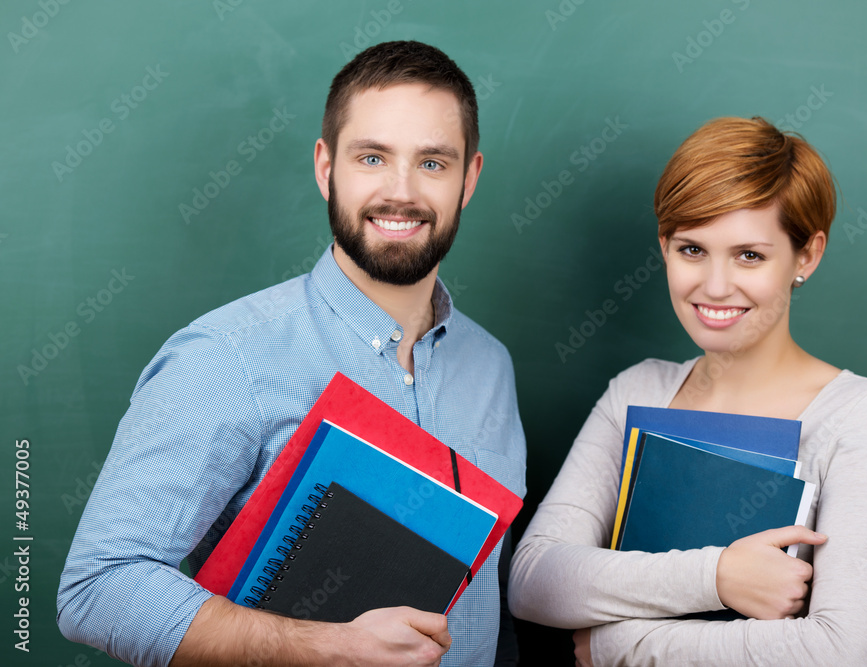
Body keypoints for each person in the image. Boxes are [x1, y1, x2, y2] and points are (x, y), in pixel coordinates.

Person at [57, 41, 526, 667]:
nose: (402, 191)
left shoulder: (491, 367)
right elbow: (98, 590)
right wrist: (329, 647)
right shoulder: (225, 355)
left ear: (469, 179)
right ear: (326, 167)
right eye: (372, 157)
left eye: (433, 163)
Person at [508, 117, 867, 666]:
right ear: (664, 246)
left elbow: (846, 652)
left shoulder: (859, 415)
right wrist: (717, 576)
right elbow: (535, 581)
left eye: (750, 255)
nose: (715, 286)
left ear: (807, 256)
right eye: (692, 250)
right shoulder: (637, 390)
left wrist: (618, 644)